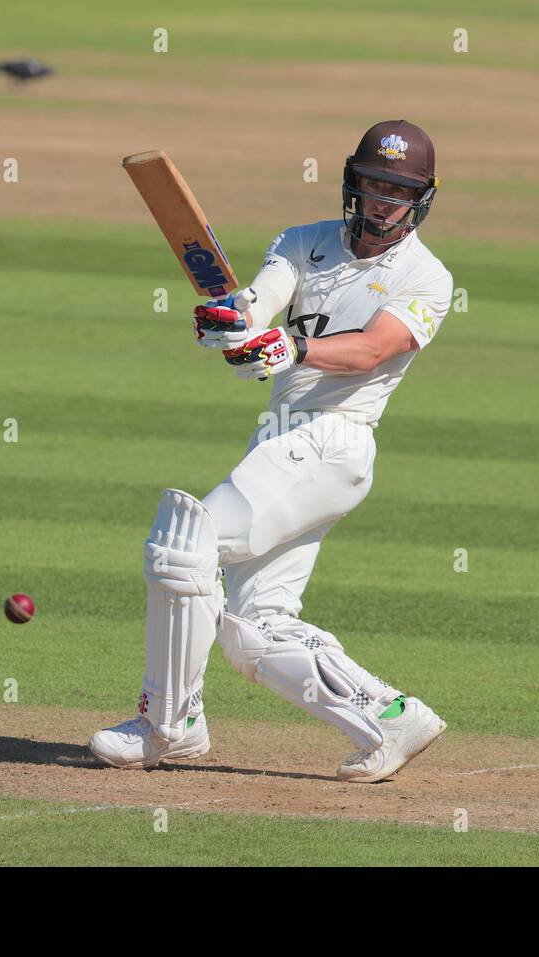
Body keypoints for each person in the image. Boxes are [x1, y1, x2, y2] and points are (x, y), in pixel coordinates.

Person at [89, 120, 454, 783]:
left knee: (183, 544)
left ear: (419, 198)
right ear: (353, 183)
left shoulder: (428, 277)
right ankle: (390, 716)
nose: (380, 202)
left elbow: (373, 349)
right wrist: (234, 323)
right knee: (254, 628)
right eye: (372, 185)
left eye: (396, 192)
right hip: (283, 438)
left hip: (334, 439)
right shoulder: (303, 240)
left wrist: (292, 347)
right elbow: (262, 300)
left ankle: (168, 723)